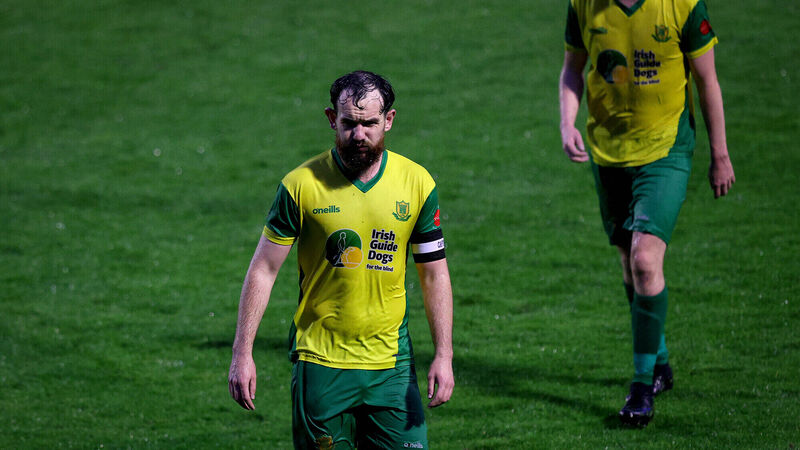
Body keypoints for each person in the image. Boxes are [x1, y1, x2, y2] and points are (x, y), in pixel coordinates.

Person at [228, 70, 454, 448]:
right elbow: (264, 270)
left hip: (392, 366)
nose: (359, 134)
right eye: (349, 123)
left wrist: (444, 355)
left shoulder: (417, 184)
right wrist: (241, 353)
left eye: (370, 124)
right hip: (321, 364)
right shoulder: (300, 185)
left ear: (389, 120)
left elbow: (434, 274)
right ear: (332, 119)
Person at [558, 0, 735, 427]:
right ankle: (659, 362)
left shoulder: (682, 5)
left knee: (644, 259)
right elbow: (572, 69)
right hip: (607, 152)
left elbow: (707, 80)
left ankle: (641, 387)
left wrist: (720, 154)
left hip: (665, 149)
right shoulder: (583, 4)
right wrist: (567, 123)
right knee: (627, 258)